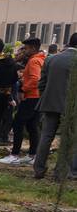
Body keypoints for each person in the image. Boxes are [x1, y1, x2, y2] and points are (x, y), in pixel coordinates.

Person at [33, 32, 77, 181]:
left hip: (50, 103)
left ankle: (39, 169)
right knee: (68, 139)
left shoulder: (52, 59)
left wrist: (45, 96)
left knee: (46, 137)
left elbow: (42, 83)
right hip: (71, 106)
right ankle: (61, 172)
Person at [4, 37, 44, 163]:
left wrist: (23, 89)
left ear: (32, 48)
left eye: (26, 48)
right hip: (37, 96)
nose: (24, 51)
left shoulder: (33, 61)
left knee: (18, 124)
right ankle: (33, 154)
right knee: (32, 125)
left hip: (31, 96)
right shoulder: (41, 59)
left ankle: (15, 154)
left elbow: (35, 79)